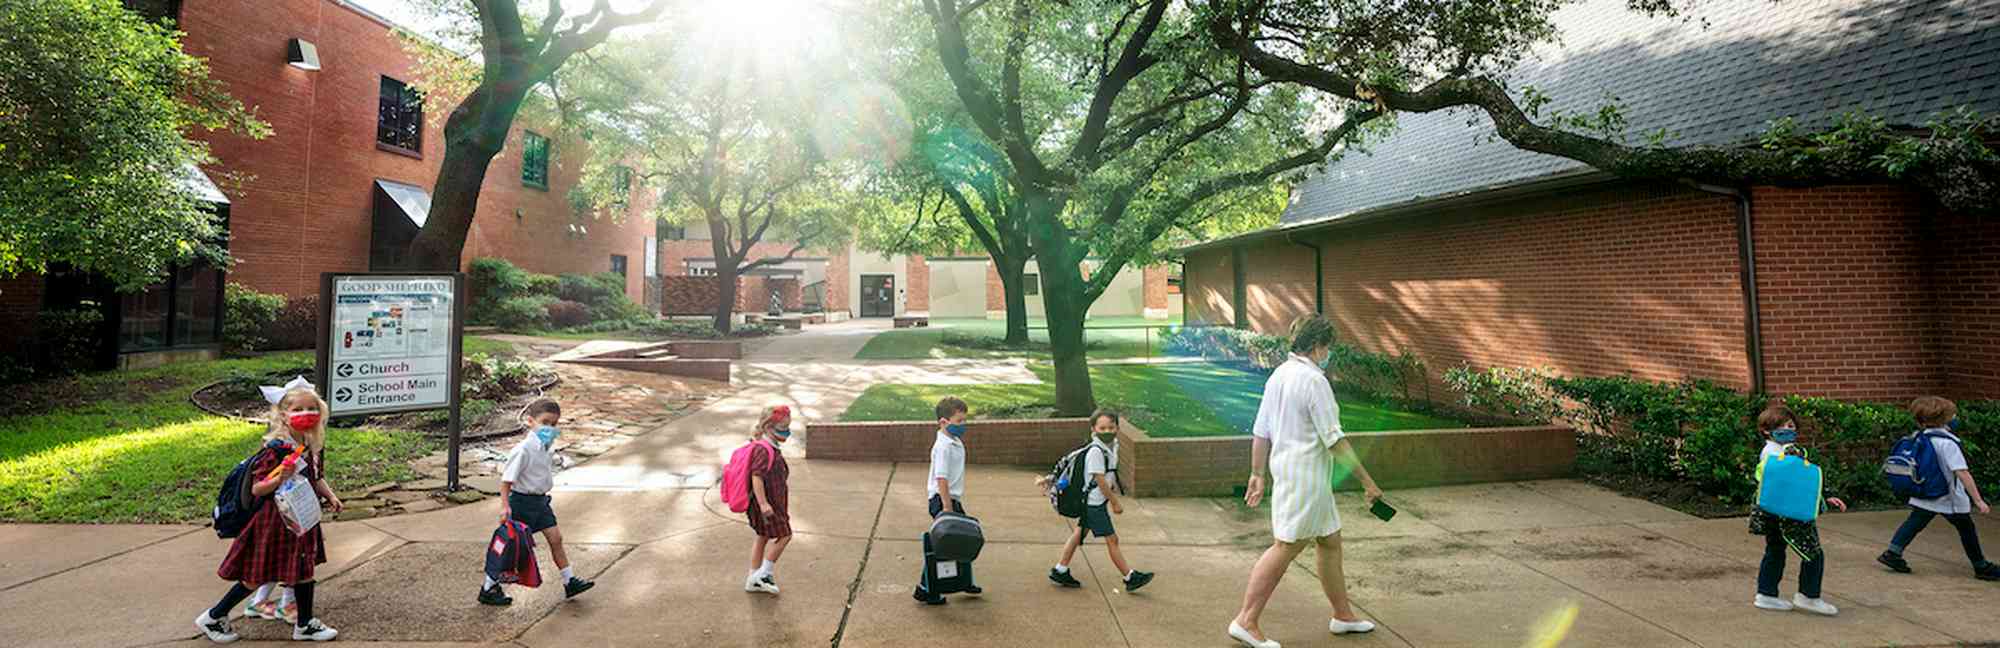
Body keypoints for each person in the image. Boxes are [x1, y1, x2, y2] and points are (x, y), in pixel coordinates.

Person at [1228, 316, 1383, 648]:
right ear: (1317, 347)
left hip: (1295, 473)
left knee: (1330, 540)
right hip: (1306, 478)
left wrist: (1257, 474)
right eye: (1328, 347)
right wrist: (1368, 482)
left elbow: (1261, 431)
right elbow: (1335, 439)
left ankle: (1342, 615)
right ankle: (1246, 620)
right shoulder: (1315, 381)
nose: (1329, 353)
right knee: (1287, 546)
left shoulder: (1279, 375)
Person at [195, 382, 344, 643]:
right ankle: (214, 616)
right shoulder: (275, 449)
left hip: (301, 517)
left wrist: (329, 495)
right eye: (298, 408)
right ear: (283, 415)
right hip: (275, 522)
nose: (306, 413)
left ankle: (305, 624)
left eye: (311, 408)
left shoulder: (312, 445)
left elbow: (316, 476)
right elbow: (257, 489)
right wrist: (279, 478)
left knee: (303, 569)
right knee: (256, 577)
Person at [480, 399, 596, 606]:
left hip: (540, 503)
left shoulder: (546, 447)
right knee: (509, 548)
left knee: (556, 539)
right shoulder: (523, 450)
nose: (550, 428)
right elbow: (506, 481)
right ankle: (488, 587)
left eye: (554, 424)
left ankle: (569, 581)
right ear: (530, 421)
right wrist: (505, 506)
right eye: (545, 422)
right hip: (521, 502)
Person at [1877, 396, 1999, 580]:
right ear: (1945, 420)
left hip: (1923, 491)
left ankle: (1893, 552)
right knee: (1966, 528)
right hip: (1947, 496)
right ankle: (1980, 565)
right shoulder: (1948, 443)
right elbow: (1962, 473)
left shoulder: (1918, 438)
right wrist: (1978, 500)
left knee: (1914, 523)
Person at [1747, 400, 1846, 615]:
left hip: (1773, 510)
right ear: (1766, 430)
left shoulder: (1783, 450)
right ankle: (1808, 596)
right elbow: (1797, 481)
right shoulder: (1777, 453)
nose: (1787, 430)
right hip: (1790, 513)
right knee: (1813, 553)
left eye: (1791, 426)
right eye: (1780, 426)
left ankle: (1766, 594)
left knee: (1775, 551)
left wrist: (1825, 496)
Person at [1049, 409, 1154, 592]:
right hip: (1094, 504)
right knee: (1112, 539)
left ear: (1117, 428)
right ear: (1093, 429)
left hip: (1094, 502)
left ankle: (1060, 569)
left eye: (1111, 427)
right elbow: (1100, 480)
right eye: (1102, 428)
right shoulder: (1096, 452)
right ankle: (1130, 577)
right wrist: (1114, 502)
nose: (1107, 431)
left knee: (1078, 534)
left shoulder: (1111, 446)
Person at [915, 396, 980, 605]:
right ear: (944, 422)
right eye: (959, 421)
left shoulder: (954, 441)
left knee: (961, 540)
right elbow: (941, 478)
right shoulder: (943, 446)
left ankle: (964, 580)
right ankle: (926, 588)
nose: (963, 425)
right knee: (944, 545)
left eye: (964, 420)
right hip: (942, 499)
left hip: (952, 498)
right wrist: (946, 508)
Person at [744, 405, 795, 595]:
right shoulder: (763, 450)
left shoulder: (769, 446)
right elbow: (756, 476)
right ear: (767, 427)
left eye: (788, 427)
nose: (786, 432)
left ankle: (752, 577)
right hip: (768, 505)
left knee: (763, 537)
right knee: (785, 535)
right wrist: (764, 504)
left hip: (771, 503)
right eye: (782, 428)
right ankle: (763, 575)